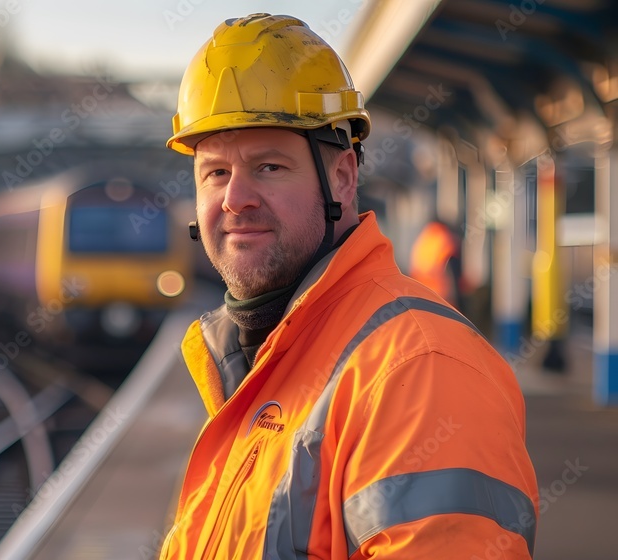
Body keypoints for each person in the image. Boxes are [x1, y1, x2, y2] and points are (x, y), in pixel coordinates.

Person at [159, 14, 538, 559]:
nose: (234, 198)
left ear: (341, 177)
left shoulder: (420, 369)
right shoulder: (262, 366)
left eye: (268, 166)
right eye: (215, 172)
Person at [410, 218, 464, 309]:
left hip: (422, 295)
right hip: (442, 296)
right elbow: (452, 271)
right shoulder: (446, 240)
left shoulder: (424, 239)